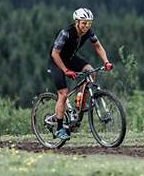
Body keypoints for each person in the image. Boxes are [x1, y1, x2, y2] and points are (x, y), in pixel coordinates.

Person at [49, 8, 114, 140]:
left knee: (90, 71)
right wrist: (66, 70)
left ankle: (79, 105)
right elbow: (55, 54)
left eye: (89, 23)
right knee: (63, 93)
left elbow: (98, 46)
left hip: (71, 59)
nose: (86, 26)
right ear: (76, 22)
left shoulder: (88, 32)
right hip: (57, 61)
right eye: (84, 23)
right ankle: (60, 128)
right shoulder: (66, 33)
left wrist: (106, 61)